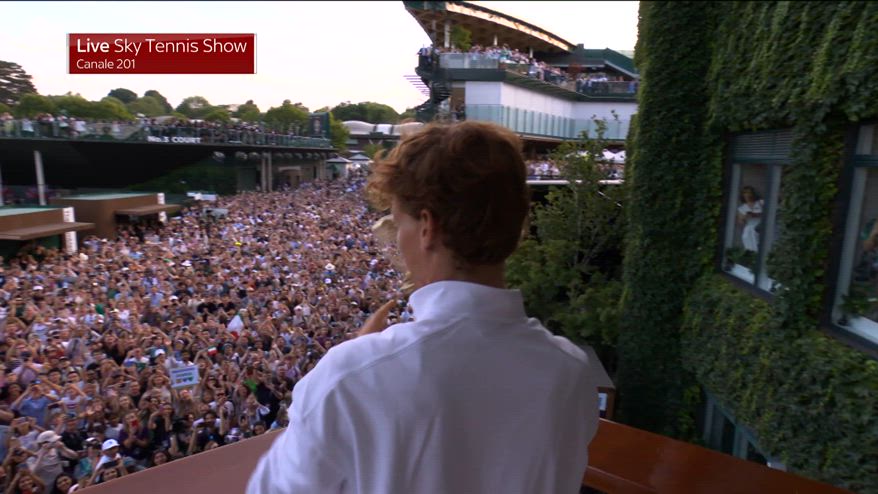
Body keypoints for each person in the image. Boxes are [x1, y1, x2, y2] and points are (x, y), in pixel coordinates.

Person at [247, 121, 600, 493]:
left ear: (428, 227)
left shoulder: (349, 376)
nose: (397, 240)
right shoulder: (571, 372)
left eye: (398, 223)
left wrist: (356, 358)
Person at [736, 185, 764, 252]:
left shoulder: (761, 202)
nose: (747, 195)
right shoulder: (742, 208)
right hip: (750, 229)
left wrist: (755, 214)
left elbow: (769, 213)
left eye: (749, 193)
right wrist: (744, 218)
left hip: (761, 226)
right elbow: (740, 222)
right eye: (745, 193)